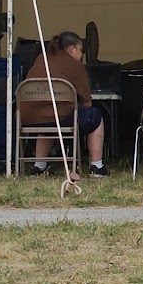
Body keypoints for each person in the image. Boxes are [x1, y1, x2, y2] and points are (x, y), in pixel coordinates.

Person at [22, 30, 108, 177]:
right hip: (59, 117)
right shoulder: (75, 65)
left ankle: (39, 167)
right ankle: (96, 166)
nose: (82, 55)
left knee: (48, 117)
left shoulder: (41, 57)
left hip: (28, 117)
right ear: (72, 49)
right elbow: (87, 101)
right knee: (95, 116)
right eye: (82, 50)